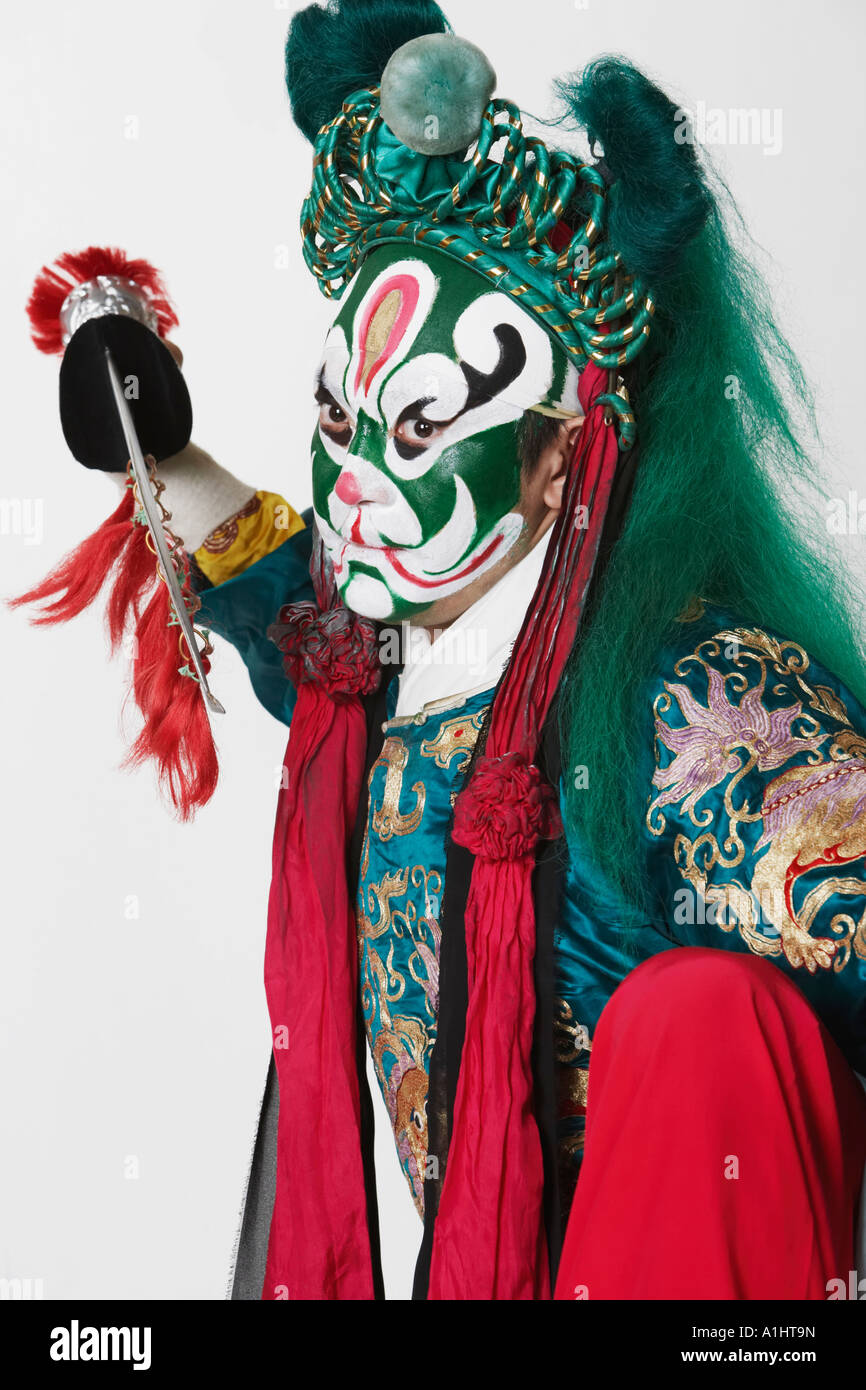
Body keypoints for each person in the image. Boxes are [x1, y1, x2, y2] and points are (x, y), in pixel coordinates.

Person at [21, 0, 866, 1300]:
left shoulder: (704, 708)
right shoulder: (371, 669)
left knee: (707, 1023)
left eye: (415, 433)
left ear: (557, 455)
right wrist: (151, 431)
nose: (353, 479)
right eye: (339, 418)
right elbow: (263, 580)